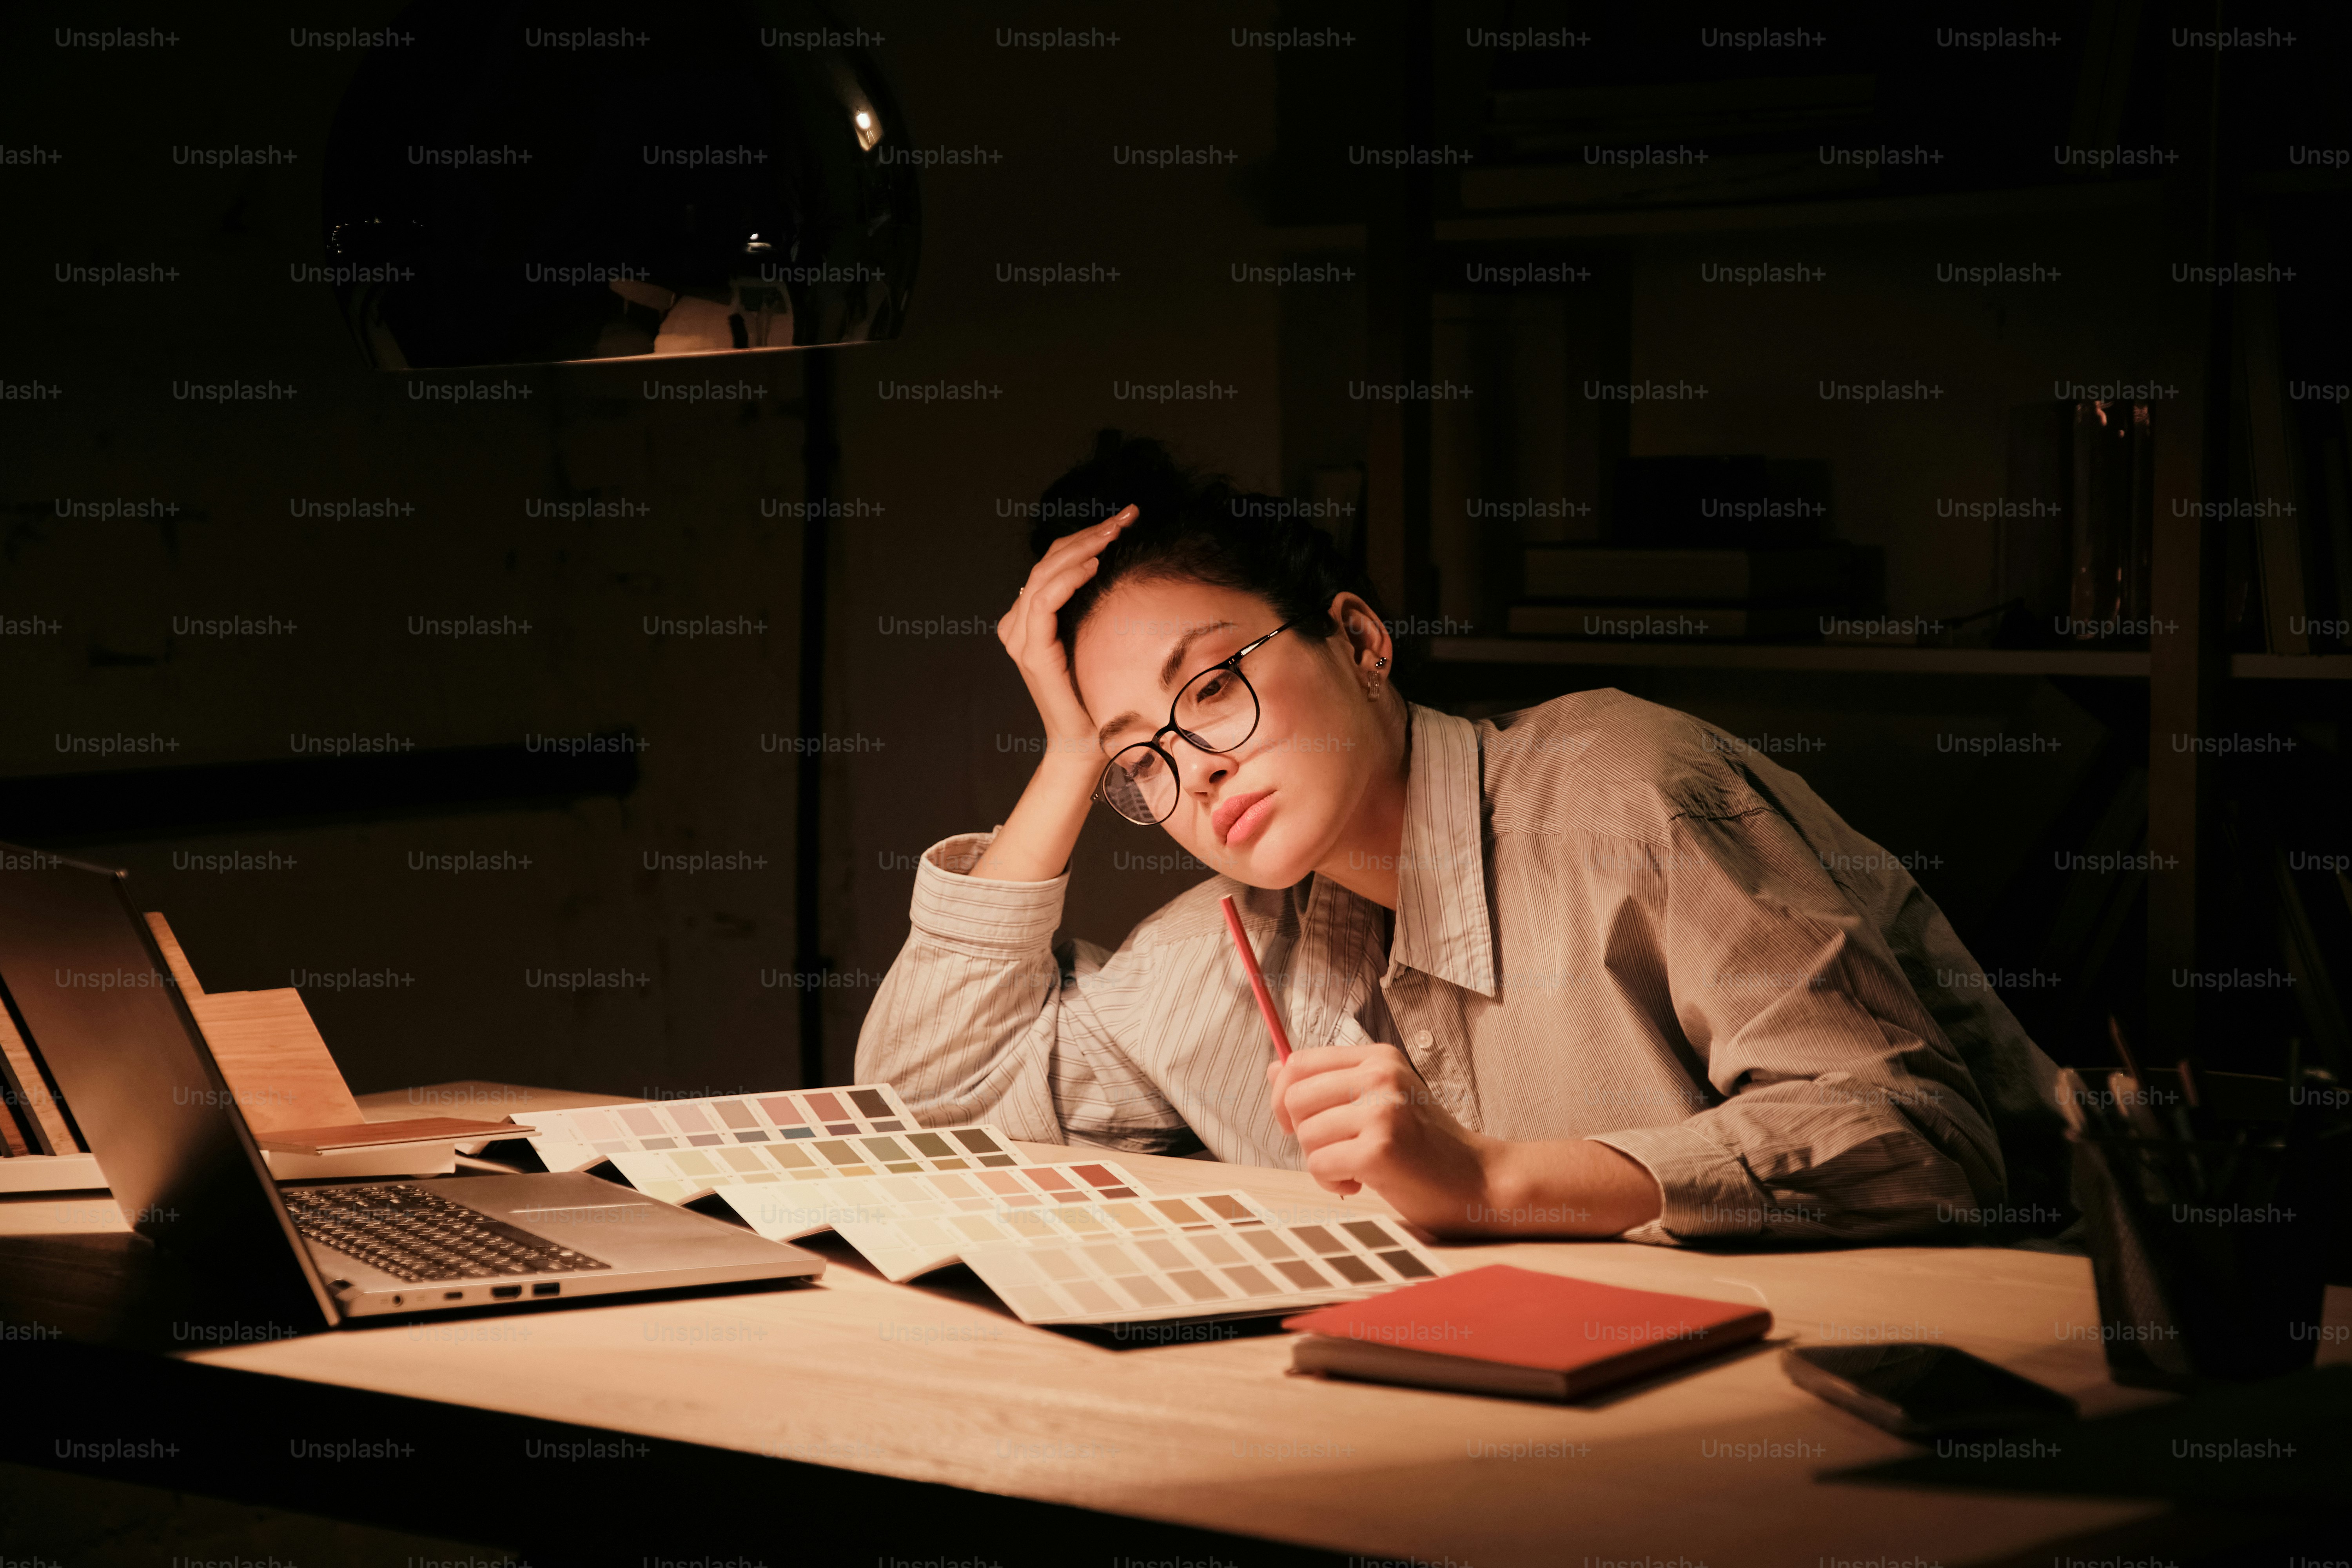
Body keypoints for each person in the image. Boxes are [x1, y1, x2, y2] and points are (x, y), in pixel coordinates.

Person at [856, 433, 2067, 1244]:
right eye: (1143, 758)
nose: (1195, 766)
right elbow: (916, 1121)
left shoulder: (1624, 794)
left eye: (1211, 685)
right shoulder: (1217, 954)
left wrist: (1490, 1182)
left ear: (1362, 642)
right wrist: (1071, 759)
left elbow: (1920, 1139)